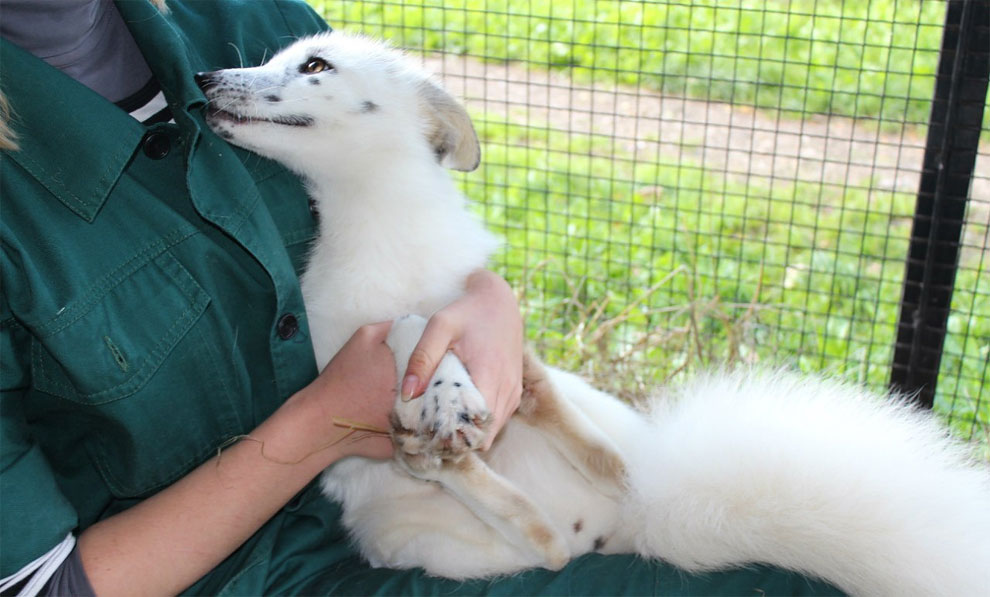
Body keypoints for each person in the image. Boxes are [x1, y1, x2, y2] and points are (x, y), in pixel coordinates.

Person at [0, 1, 839, 595]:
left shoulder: (242, 24)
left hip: (418, 504)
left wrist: (484, 298)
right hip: (274, 571)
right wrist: (322, 424)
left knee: (800, 568)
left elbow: (397, 186)